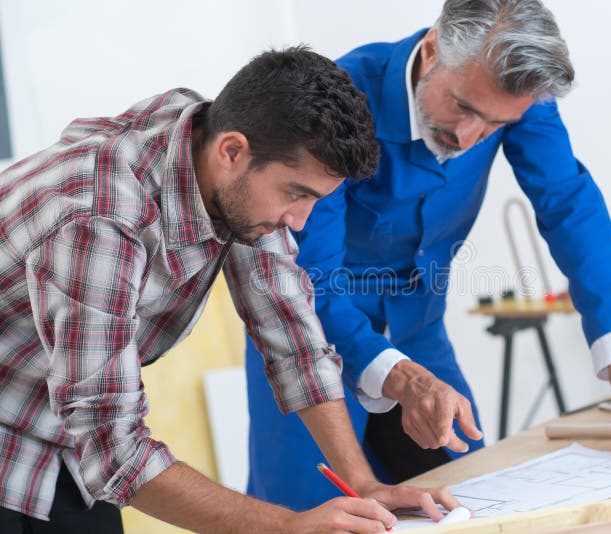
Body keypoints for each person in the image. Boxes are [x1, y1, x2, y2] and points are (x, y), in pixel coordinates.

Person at [244, 0, 611, 511]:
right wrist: (396, 374)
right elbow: (306, 280)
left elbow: (569, 206)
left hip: (419, 331)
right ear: (431, 51)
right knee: (310, 511)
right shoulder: (338, 102)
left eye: (494, 125)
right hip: (310, 339)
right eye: (464, 108)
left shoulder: (515, 97)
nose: (470, 137)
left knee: (468, 498)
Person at [0, 47, 459, 533]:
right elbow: (113, 447)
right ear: (232, 151)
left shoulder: (218, 158)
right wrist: (287, 526)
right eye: (296, 193)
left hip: (57, 441)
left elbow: (296, 342)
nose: (299, 221)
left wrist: (364, 485)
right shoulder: (101, 220)